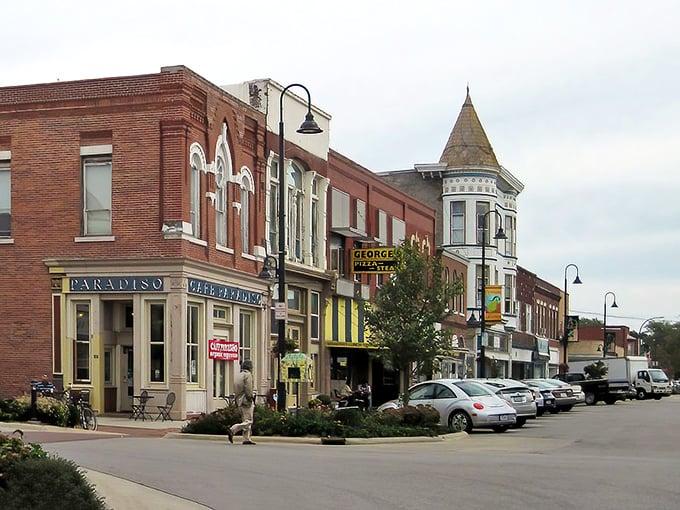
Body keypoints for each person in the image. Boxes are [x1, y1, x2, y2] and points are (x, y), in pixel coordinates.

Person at [228, 360, 256, 445]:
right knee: (249, 421)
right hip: (245, 399)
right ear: (249, 367)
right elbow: (248, 388)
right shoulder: (248, 375)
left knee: (245, 419)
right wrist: (250, 397)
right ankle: (233, 429)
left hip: (238, 399)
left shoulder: (238, 375)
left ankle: (246, 438)